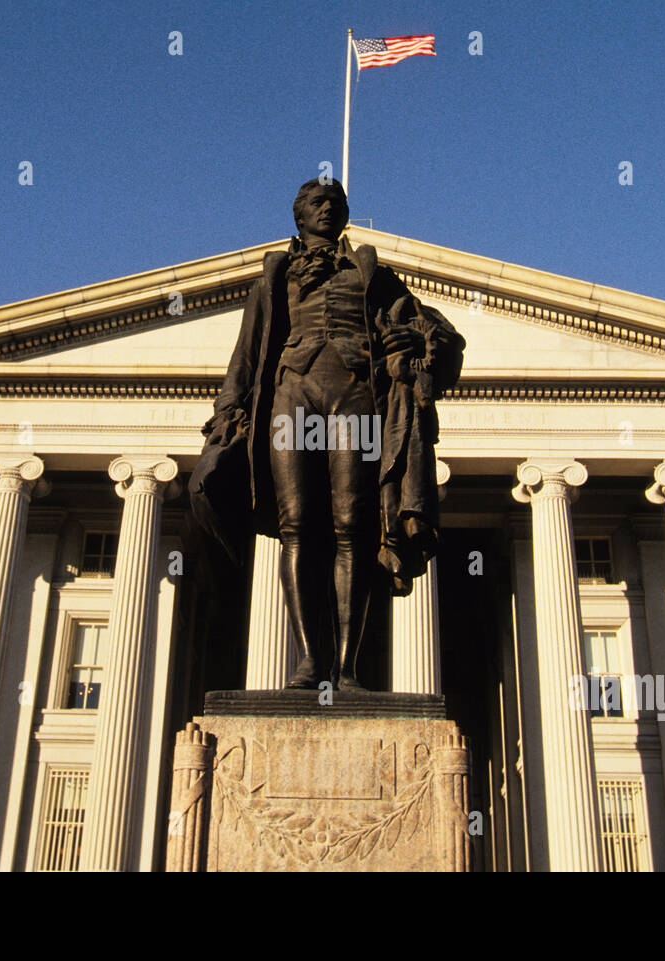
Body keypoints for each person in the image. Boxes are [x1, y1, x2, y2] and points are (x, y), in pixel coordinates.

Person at [190, 179, 464, 690]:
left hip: (354, 391)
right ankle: (310, 661)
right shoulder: (276, 276)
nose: (326, 210)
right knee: (296, 525)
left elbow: (433, 329)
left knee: (351, 524)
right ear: (299, 217)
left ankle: (347, 667)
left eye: (335, 205)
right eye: (317, 204)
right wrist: (227, 414)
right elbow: (247, 354)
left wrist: (416, 339)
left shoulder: (372, 273)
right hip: (292, 392)